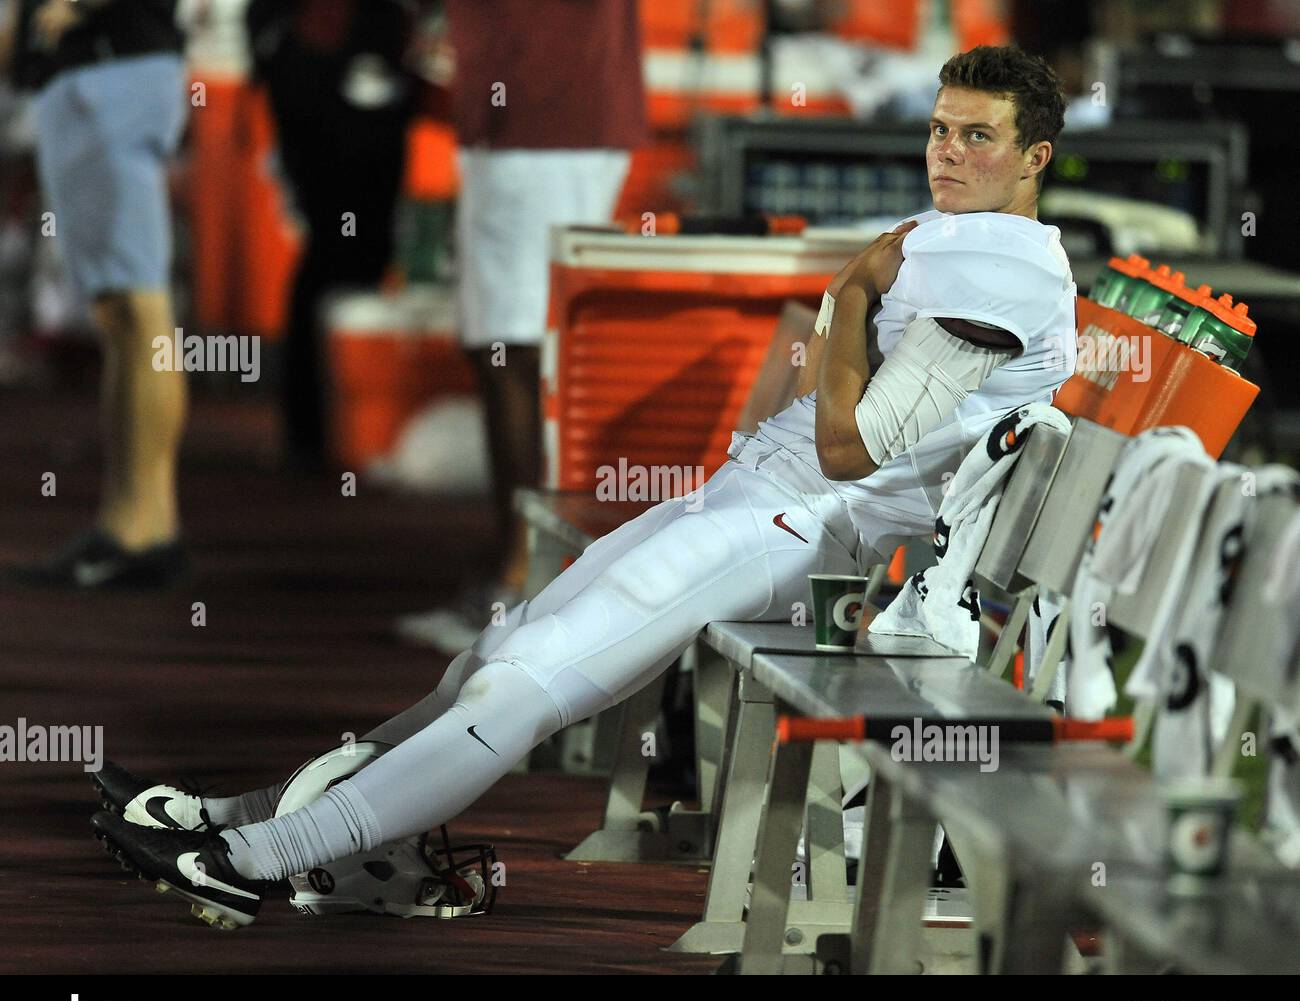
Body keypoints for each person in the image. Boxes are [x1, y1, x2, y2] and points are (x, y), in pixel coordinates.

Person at [90, 45, 1078, 928]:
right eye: (940, 129)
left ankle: (247, 863)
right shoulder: (960, 240)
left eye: (977, 137)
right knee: (496, 650)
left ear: (1035, 157)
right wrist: (852, 298)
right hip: (752, 494)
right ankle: (246, 814)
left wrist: (855, 289)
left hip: (798, 522)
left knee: (522, 682)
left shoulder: (1010, 271)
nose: (945, 152)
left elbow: (851, 448)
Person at [395, 0, 648, 654]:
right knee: (505, 347)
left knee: (516, 350)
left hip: (542, 107)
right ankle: (519, 573)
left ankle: (523, 582)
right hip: (532, 101)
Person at [2, 0, 190, 588]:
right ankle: (130, 522)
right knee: (123, 314)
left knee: (139, 309)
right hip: (105, 72)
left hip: (110, 73)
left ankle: (145, 528)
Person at [245, 0, 418, 469]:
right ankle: (315, 426)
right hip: (325, 63)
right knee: (334, 248)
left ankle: (329, 421)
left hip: (350, 59)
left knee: (357, 249)